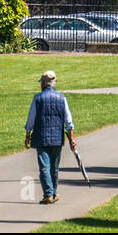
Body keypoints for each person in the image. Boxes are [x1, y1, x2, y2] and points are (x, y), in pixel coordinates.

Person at [24, 70, 75, 204]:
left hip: (41, 137)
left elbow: (31, 119)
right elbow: (68, 121)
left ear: (43, 84)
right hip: (57, 137)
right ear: (53, 83)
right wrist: (72, 139)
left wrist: (28, 133)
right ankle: (53, 192)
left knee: (44, 166)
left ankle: (48, 194)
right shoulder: (62, 98)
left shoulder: (37, 98)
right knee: (54, 167)